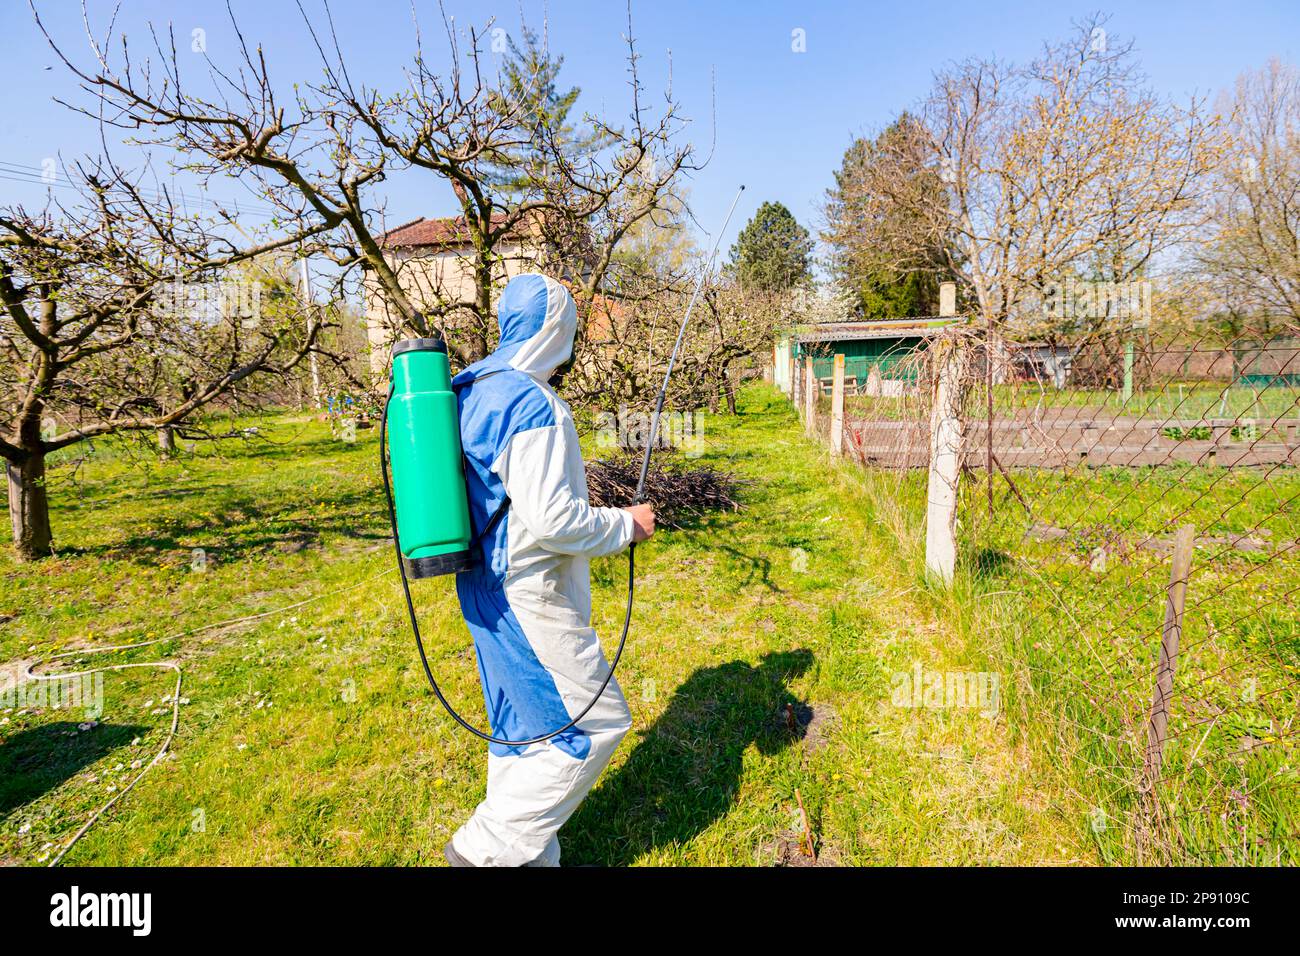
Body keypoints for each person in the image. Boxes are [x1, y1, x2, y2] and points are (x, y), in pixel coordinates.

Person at [445, 272, 655, 867]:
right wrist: (626, 525)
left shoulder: (471, 388)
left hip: (482, 585)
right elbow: (555, 520)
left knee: (524, 728)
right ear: (555, 328)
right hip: (526, 592)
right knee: (592, 725)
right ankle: (483, 851)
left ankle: (534, 858)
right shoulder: (529, 400)